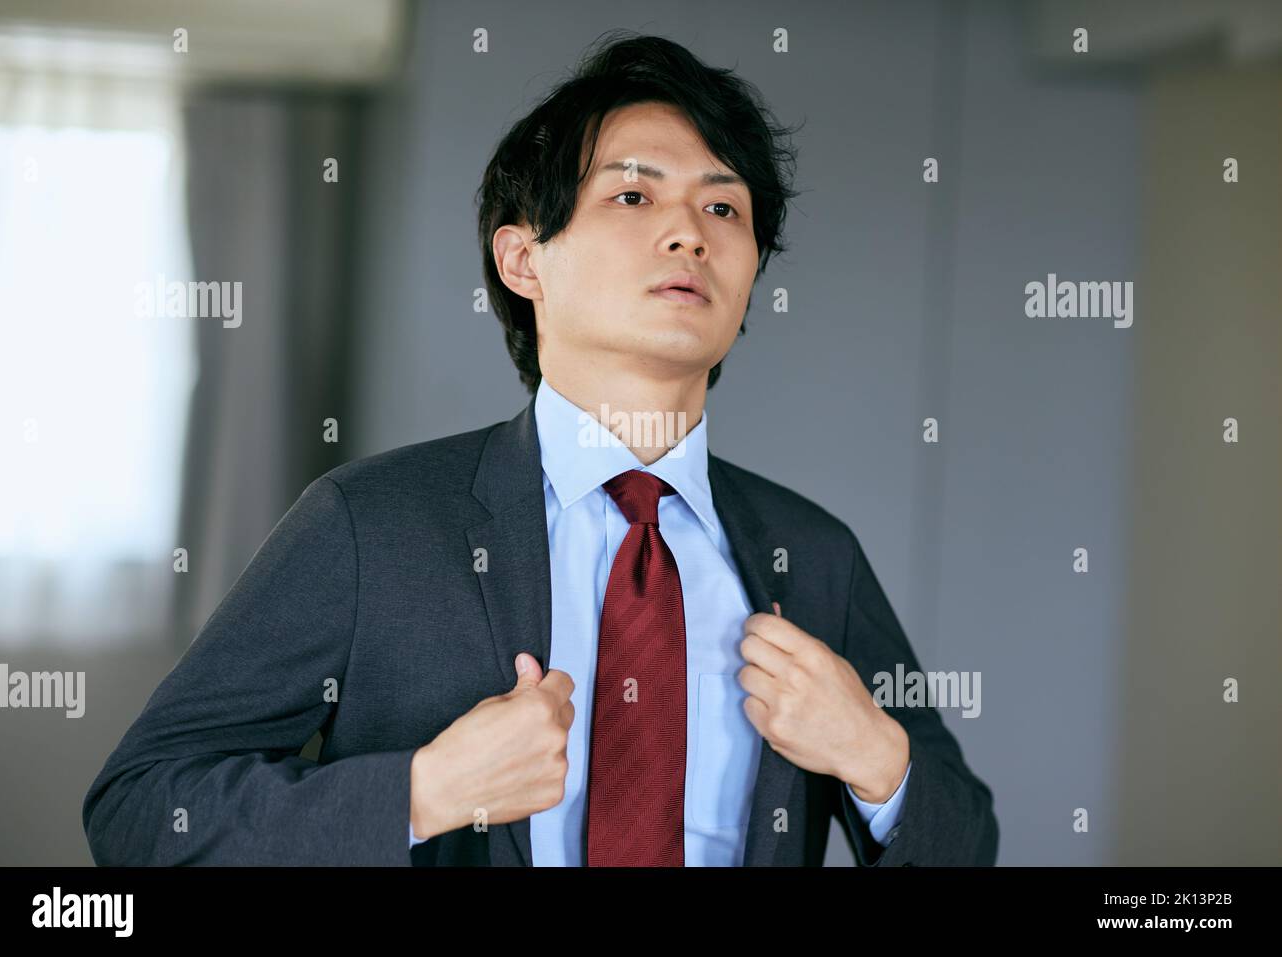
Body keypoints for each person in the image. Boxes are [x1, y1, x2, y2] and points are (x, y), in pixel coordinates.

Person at [83, 32, 997, 867]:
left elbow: (968, 839)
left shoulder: (816, 556)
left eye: (725, 208)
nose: (690, 231)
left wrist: (877, 757)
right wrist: (423, 792)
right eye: (634, 195)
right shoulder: (370, 524)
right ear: (523, 261)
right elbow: (137, 810)